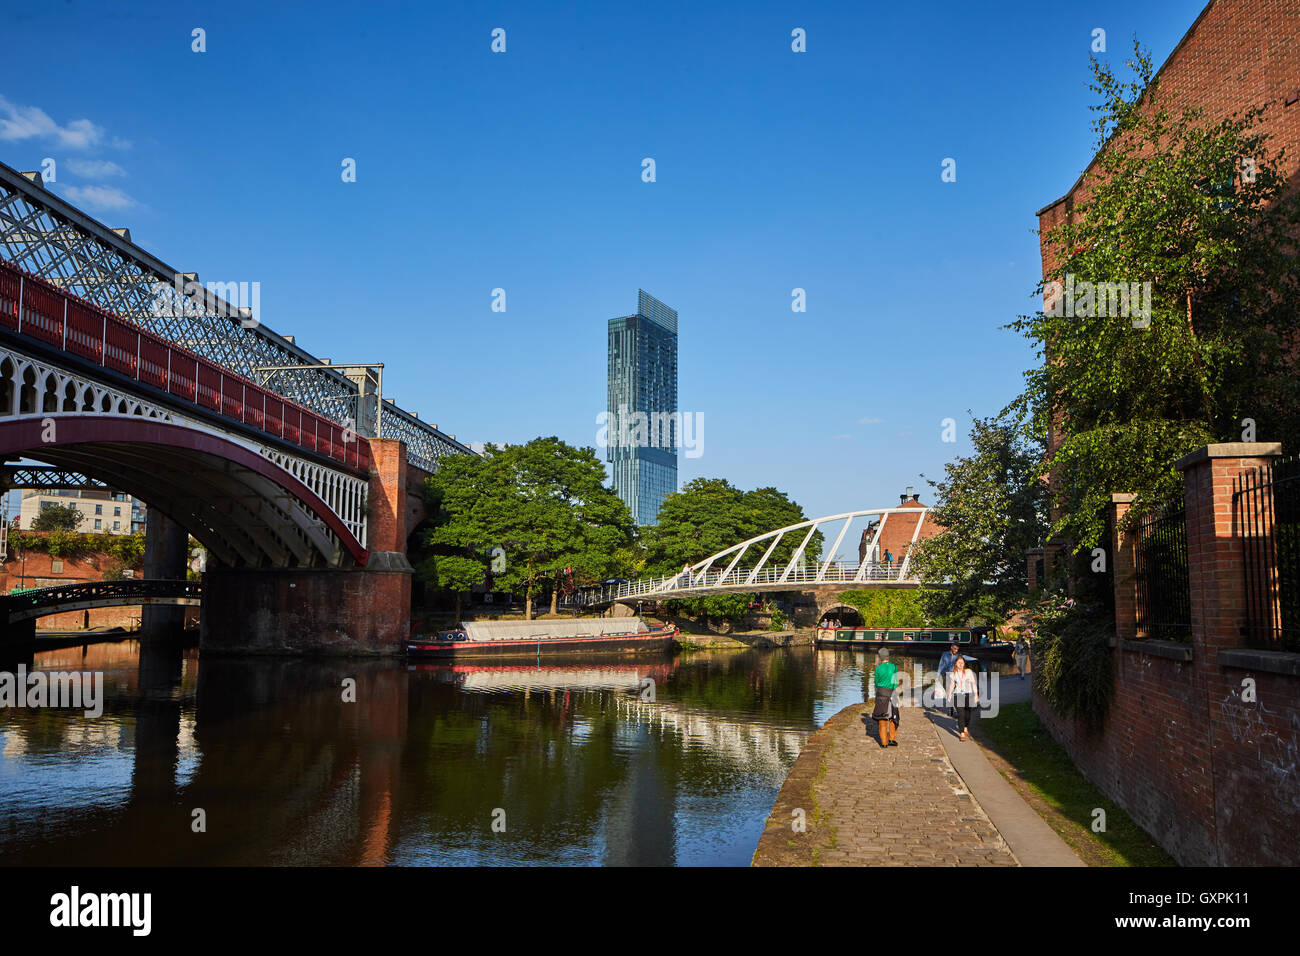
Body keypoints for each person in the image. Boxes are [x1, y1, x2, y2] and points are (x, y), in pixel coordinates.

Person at [872, 648, 900, 747]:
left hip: (882, 695)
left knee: (882, 719)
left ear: (880, 657)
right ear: (888, 656)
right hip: (892, 694)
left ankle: (884, 743)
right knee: (893, 717)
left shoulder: (878, 668)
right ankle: (892, 739)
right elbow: (896, 682)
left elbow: (876, 683)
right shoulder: (894, 667)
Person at [948, 655, 979, 741]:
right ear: (956, 664)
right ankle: (962, 733)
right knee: (961, 714)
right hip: (958, 695)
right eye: (959, 662)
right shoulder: (953, 674)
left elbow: (973, 683)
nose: (961, 664)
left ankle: (965, 726)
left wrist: (976, 695)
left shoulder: (969, 672)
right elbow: (952, 685)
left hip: (968, 694)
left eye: (962, 662)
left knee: (967, 714)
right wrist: (949, 695)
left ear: (964, 663)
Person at [937, 642, 960, 717]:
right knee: (948, 693)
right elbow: (941, 665)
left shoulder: (959, 656)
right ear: (951, 647)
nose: (956, 650)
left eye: (957, 649)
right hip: (947, 675)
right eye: (955, 648)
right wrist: (938, 676)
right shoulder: (945, 654)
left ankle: (956, 709)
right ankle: (951, 709)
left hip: (956, 675)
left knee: (956, 693)